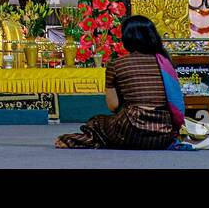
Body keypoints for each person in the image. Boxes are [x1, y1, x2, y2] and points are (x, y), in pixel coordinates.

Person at [55, 15, 184, 150]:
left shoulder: (117, 64)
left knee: (97, 123)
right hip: (164, 133)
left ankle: (72, 140)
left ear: (126, 39)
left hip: (130, 129)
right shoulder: (165, 63)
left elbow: (113, 105)